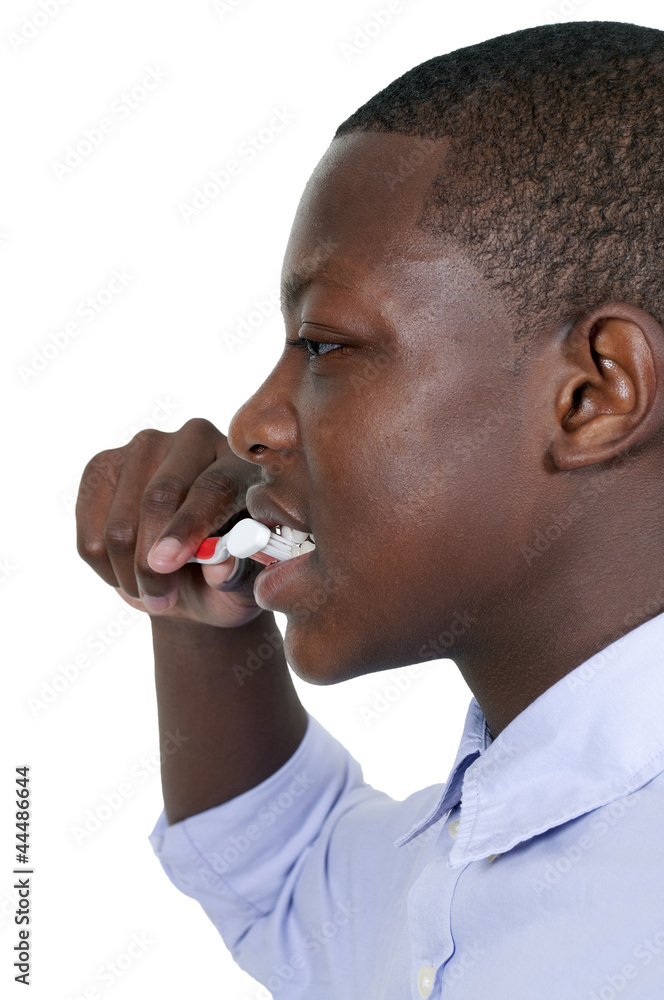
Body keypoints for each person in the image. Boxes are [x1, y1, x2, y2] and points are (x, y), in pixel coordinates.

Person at [75, 19, 664, 999]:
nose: (254, 421)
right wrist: (205, 624)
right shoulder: (475, 856)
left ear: (590, 394)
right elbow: (286, 878)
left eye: (326, 346)